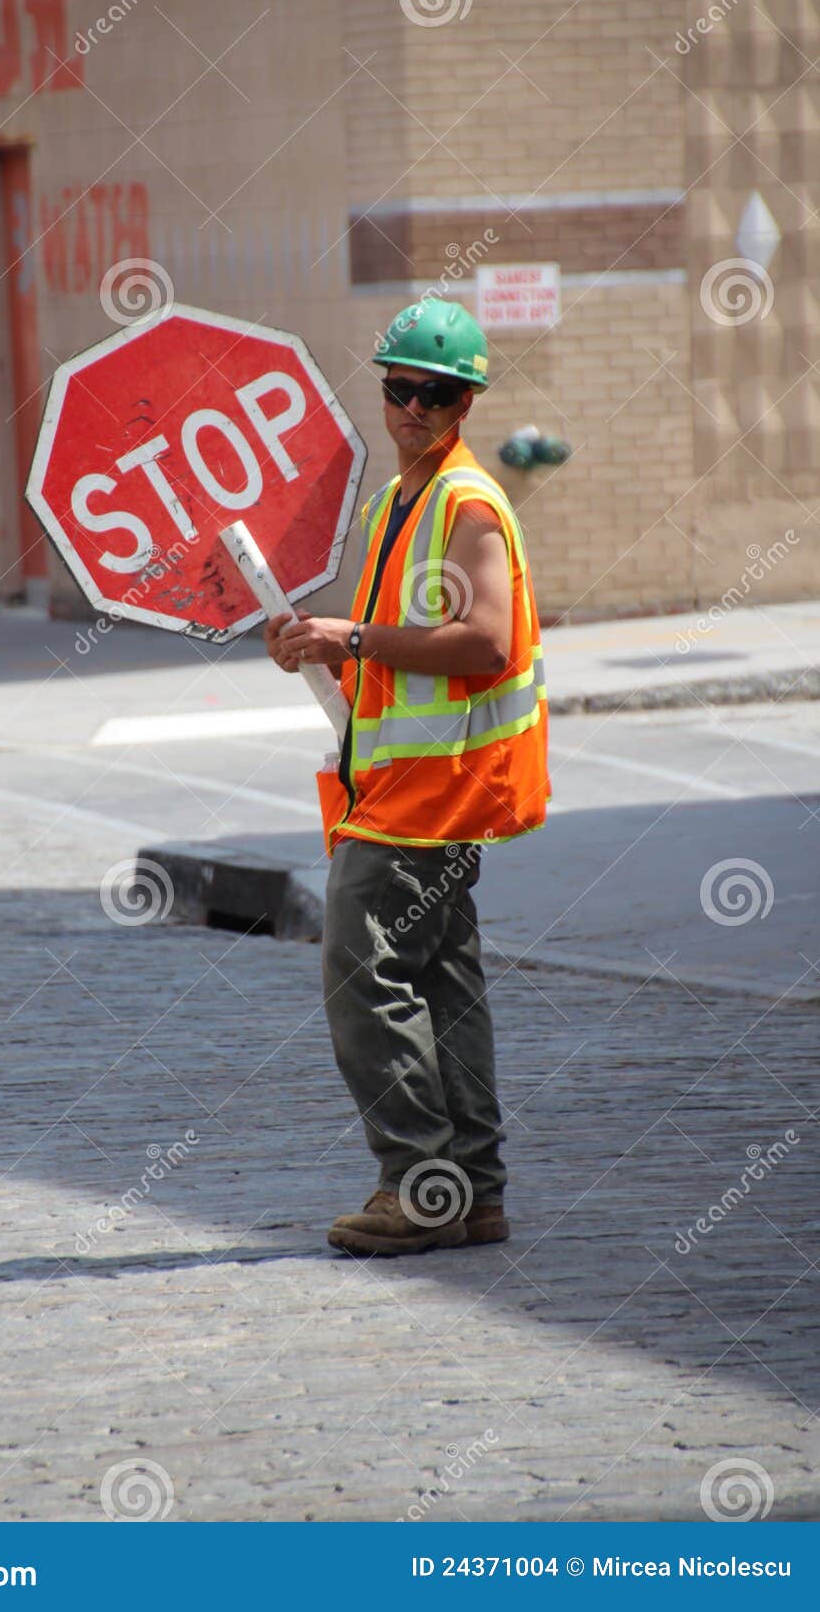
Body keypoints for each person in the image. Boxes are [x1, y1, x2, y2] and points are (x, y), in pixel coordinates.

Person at [263, 297, 550, 1258]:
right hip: (403, 790)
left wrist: (353, 636)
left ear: (465, 402)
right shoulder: (396, 504)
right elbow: (392, 656)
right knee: (440, 985)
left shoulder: (467, 504)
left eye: (435, 393)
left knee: (360, 973)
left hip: (429, 799)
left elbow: (484, 643)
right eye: (399, 390)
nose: (414, 407)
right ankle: (470, 1194)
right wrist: (318, 649)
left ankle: (417, 1185)